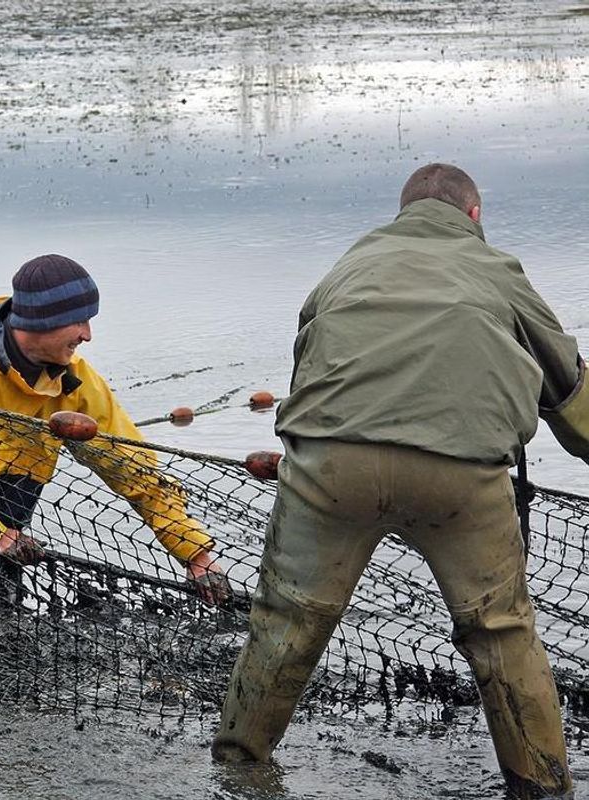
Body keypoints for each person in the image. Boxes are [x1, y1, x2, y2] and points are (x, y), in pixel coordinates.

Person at [212, 164, 584, 799]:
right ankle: (542, 787)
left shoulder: (350, 265)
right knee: (500, 630)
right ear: (474, 215)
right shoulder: (496, 269)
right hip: (460, 475)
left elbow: (309, 368)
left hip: (329, 469)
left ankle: (239, 769)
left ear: (404, 210)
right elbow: (569, 389)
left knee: (287, 618)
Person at [0, 254, 226, 597]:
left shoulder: (76, 385)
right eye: (78, 321)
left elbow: (135, 470)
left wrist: (195, 553)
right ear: (42, 320)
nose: (87, 335)